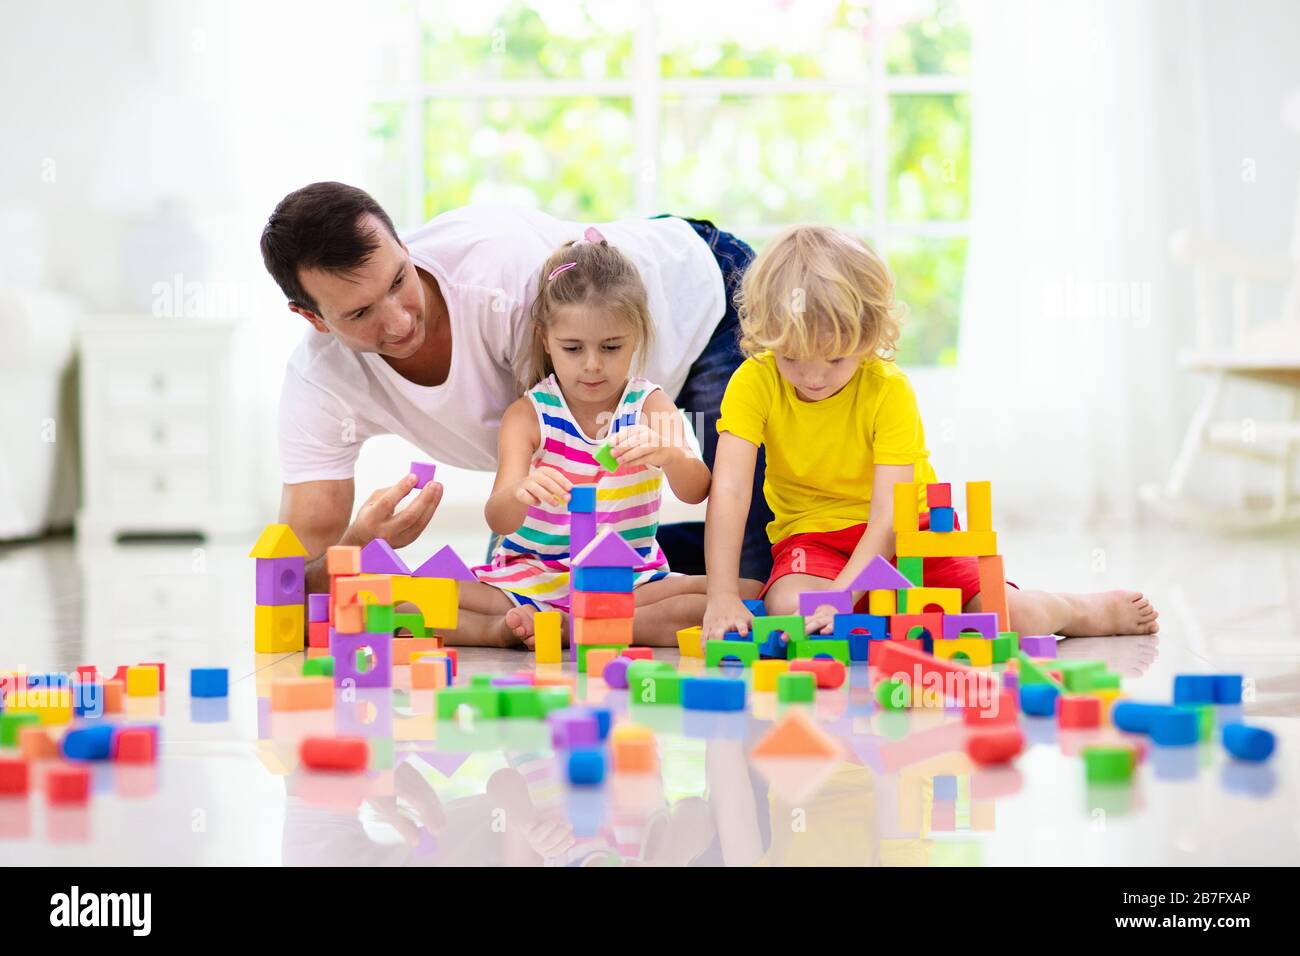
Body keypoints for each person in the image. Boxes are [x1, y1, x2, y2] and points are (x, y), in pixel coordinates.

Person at [258, 183, 774, 607]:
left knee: (753, 571)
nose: (398, 321)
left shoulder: (504, 285)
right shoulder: (320, 386)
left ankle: (733, 559)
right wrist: (358, 545)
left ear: (405, 247)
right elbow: (293, 588)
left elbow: (575, 459)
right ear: (312, 318)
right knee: (536, 585)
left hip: (704, 294)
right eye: (359, 313)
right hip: (617, 371)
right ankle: (674, 560)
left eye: (398, 281)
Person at [702, 224, 1161, 642]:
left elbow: (888, 519)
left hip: (911, 534)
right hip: (813, 538)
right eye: (793, 358)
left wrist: (842, 597)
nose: (814, 377)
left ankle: (1075, 611)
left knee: (1005, 619)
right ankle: (890, 622)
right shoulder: (753, 381)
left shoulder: (888, 390)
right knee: (792, 608)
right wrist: (722, 595)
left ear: (867, 338)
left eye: (835, 359)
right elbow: (729, 488)